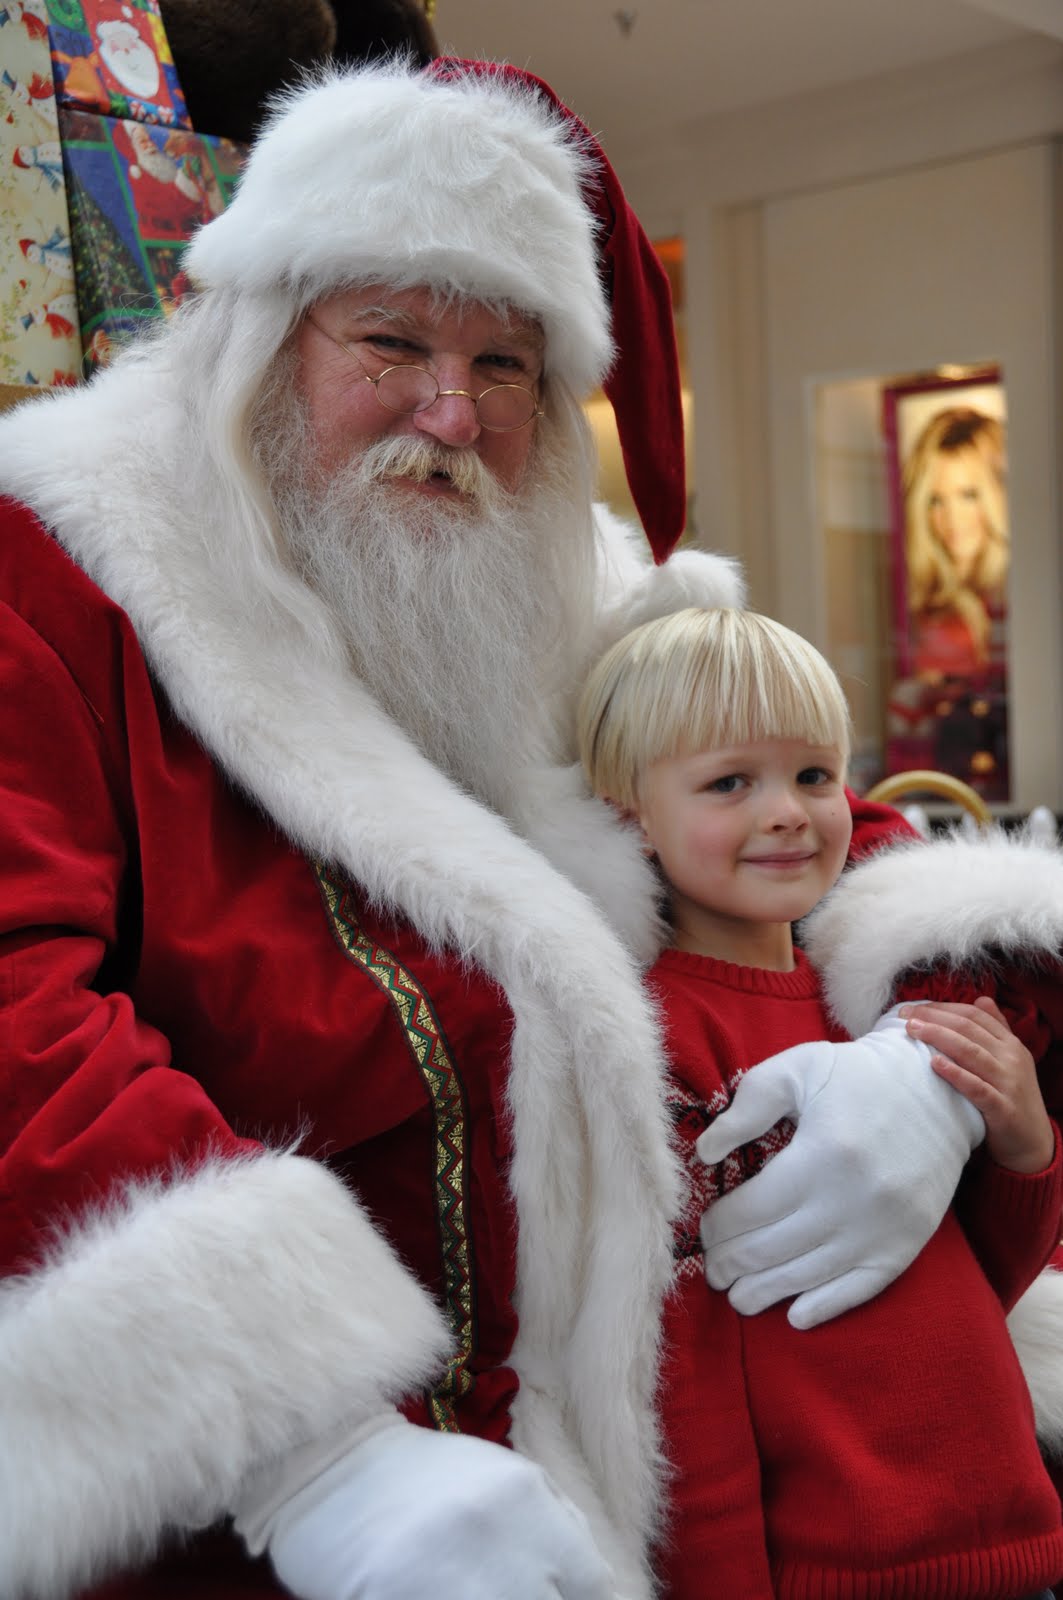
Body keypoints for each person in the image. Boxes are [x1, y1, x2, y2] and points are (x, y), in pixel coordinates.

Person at [1, 57, 1063, 1600]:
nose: (449, 410)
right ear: (255, 338)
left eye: (507, 366)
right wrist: (309, 1443)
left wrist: (933, 1058)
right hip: (266, 1528)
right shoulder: (63, 577)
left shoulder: (570, 593)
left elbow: (829, 845)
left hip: (685, 1506)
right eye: (391, 339)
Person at [578, 605, 1063, 1599]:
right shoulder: (648, 1035)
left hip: (1001, 1527)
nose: (789, 811)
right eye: (729, 782)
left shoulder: (882, 1000)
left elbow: (976, 1276)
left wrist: (1023, 1147)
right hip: (823, 1560)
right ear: (627, 813)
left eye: (811, 774)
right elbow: (679, 1360)